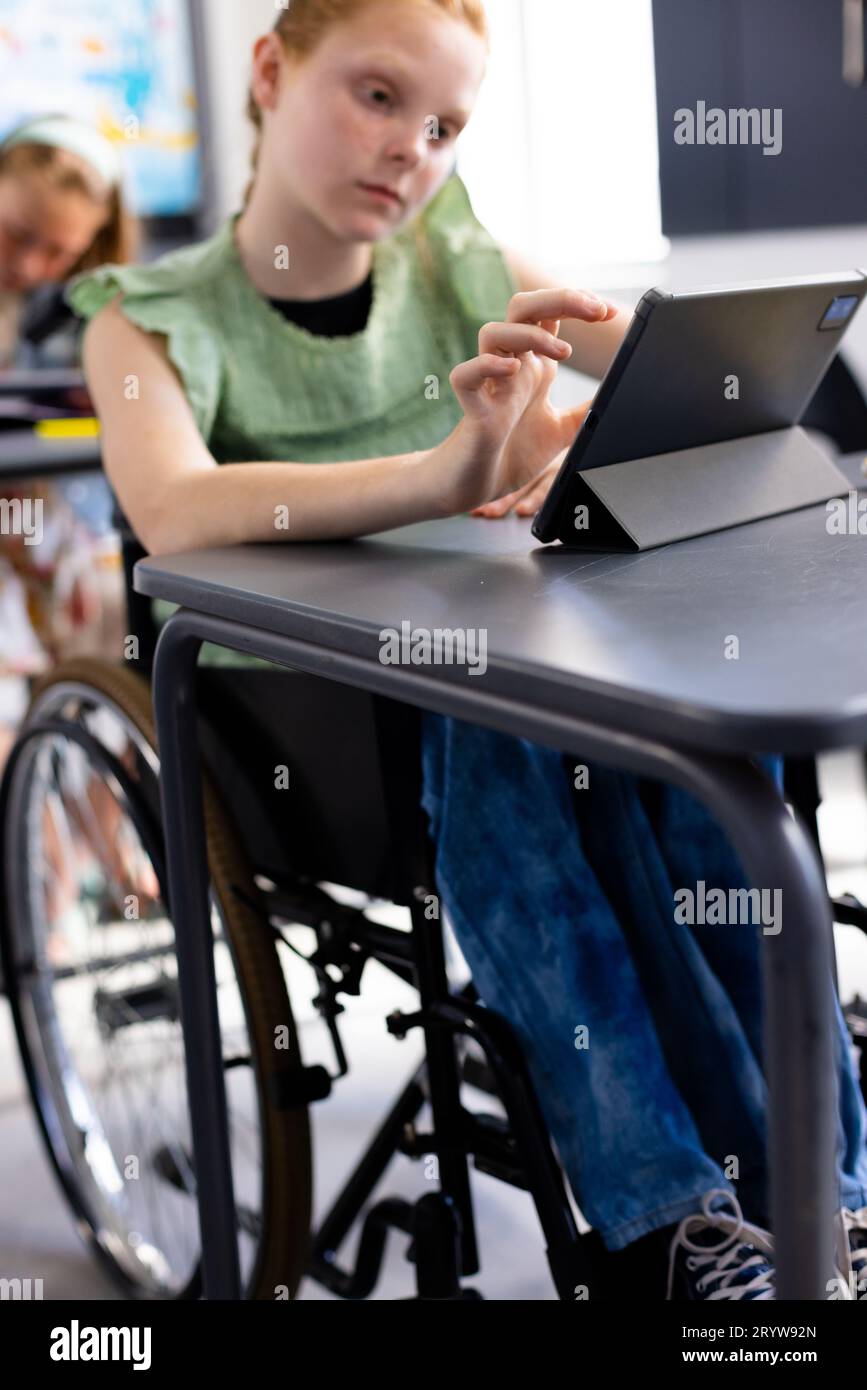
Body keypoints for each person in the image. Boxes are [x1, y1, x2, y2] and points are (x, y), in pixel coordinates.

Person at [67, 0, 867, 1300]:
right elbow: (176, 509)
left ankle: (817, 1200)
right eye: (376, 97)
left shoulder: (458, 253)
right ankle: (667, 1223)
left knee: (686, 740)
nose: (411, 149)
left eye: (444, 125)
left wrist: (665, 395)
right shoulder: (145, 313)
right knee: (498, 708)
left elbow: (656, 366)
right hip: (310, 733)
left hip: (506, 670)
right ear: (268, 71)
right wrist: (440, 474)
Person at [0, 115, 137, 758]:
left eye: (58, 251)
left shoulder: (89, 317)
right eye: (15, 235)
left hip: (57, 537)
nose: (30, 265)